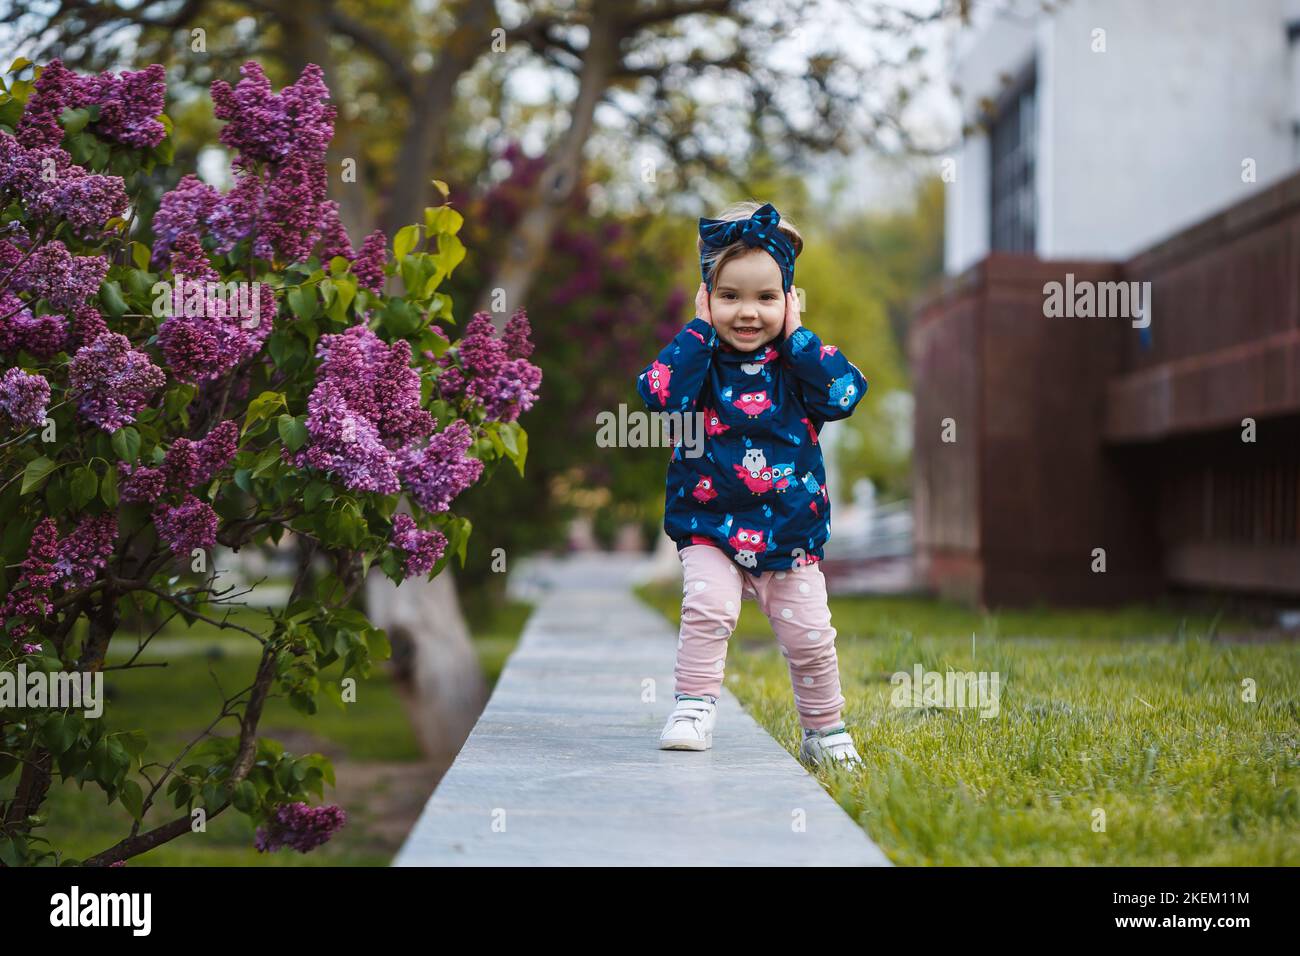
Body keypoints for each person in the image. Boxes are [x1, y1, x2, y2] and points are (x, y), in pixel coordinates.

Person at [635, 200, 869, 768]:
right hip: (709, 524)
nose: (747, 313)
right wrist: (695, 331)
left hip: (789, 533)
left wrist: (800, 337)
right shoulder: (700, 363)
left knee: (811, 639)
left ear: (788, 300)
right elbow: (658, 394)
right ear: (706, 298)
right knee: (708, 608)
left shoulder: (799, 364)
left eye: (766, 297)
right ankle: (693, 705)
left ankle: (825, 730)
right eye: (729, 296)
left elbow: (845, 394)